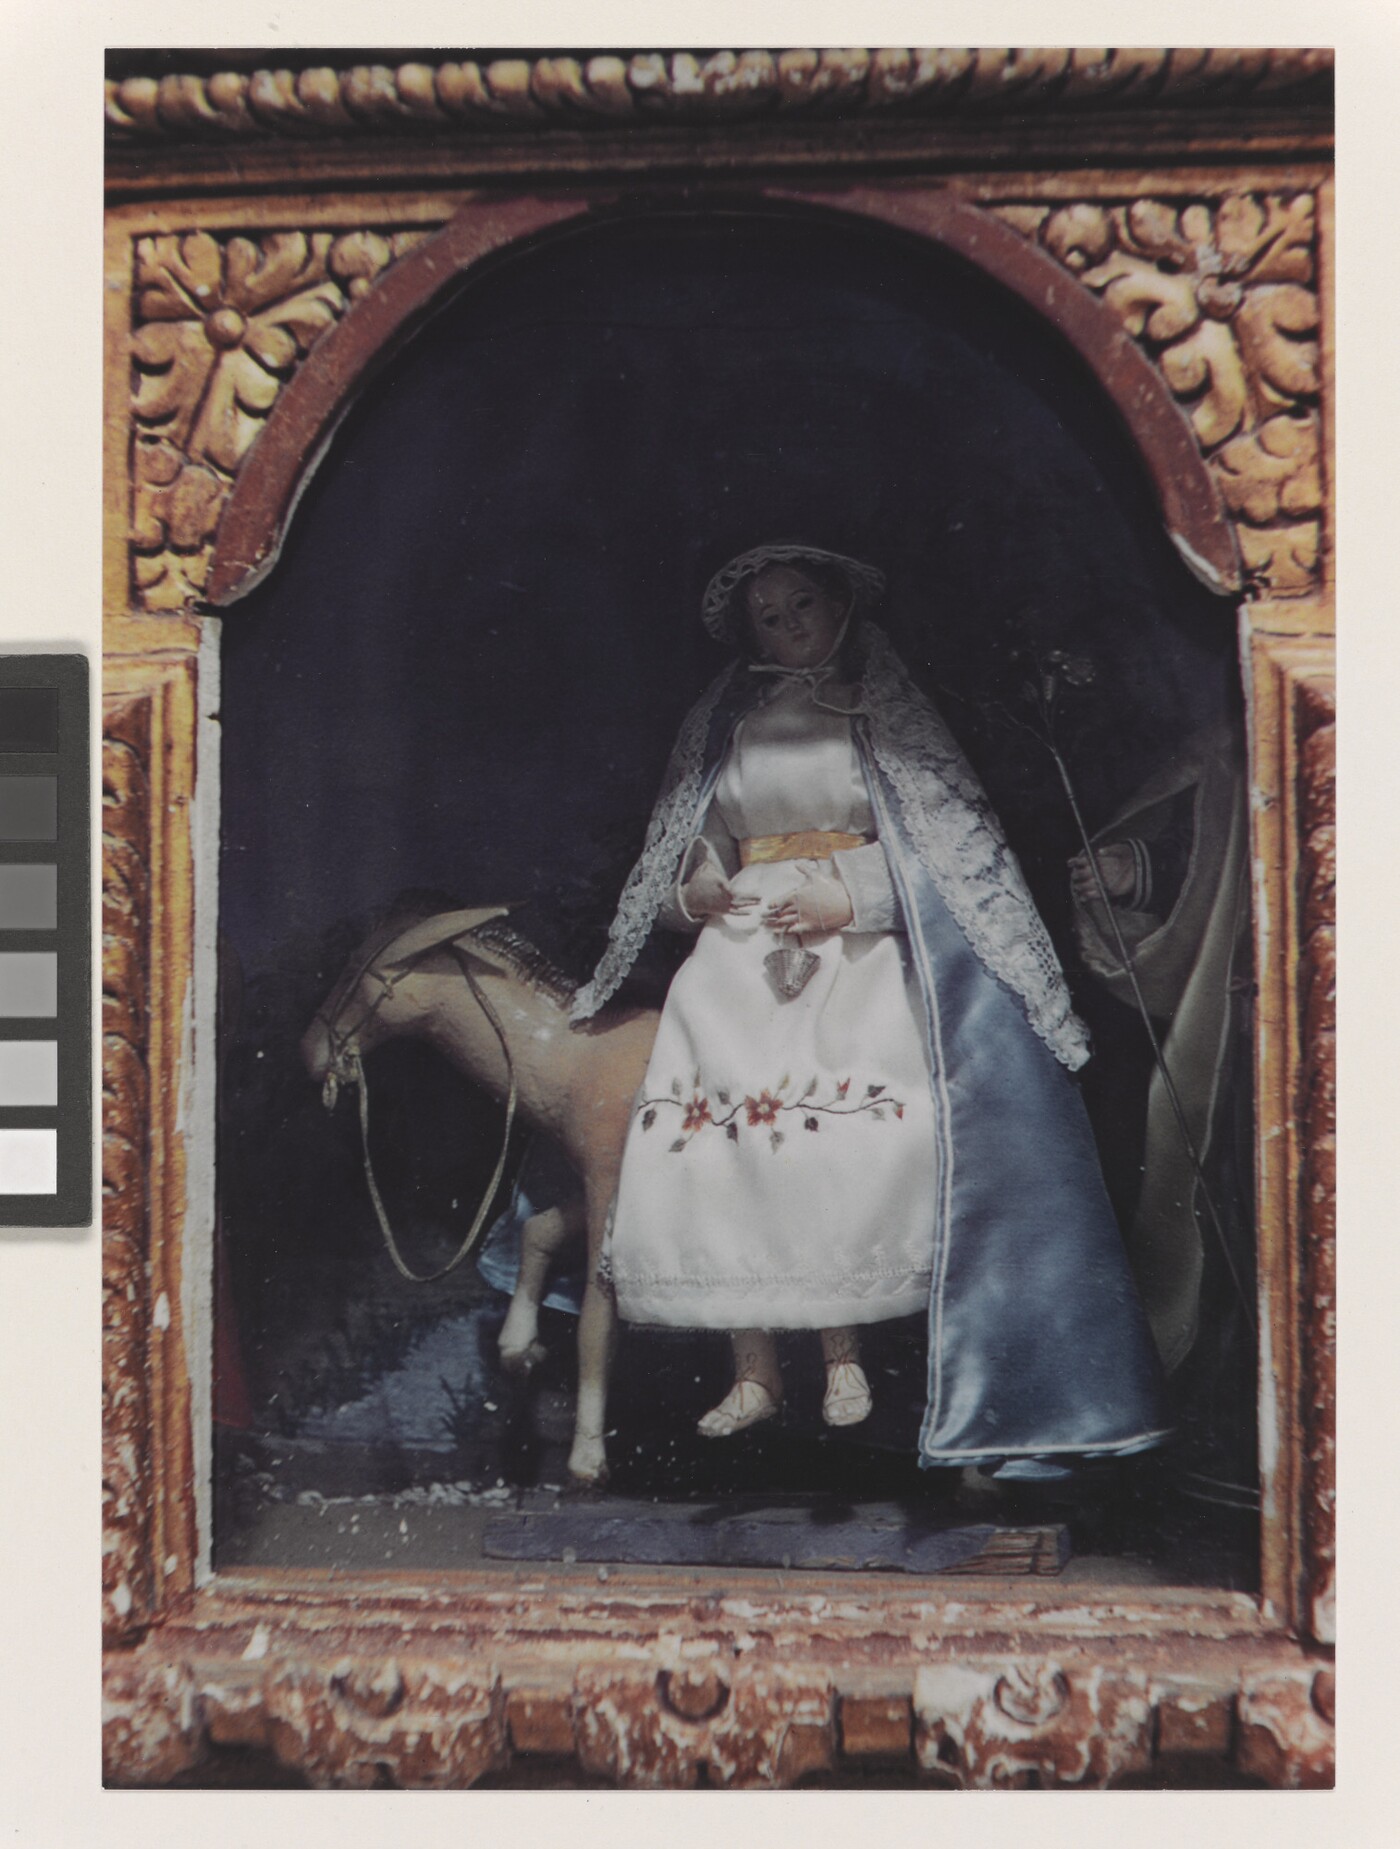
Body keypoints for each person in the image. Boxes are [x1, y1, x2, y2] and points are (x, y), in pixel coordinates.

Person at [571, 544, 1167, 1479]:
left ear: (842, 605)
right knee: (720, 1143)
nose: (788, 626)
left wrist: (847, 897)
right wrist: (700, 890)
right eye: (767, 616)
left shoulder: (880, 718)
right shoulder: (730, 722)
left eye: (802, 604)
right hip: (738, 962)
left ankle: (844, 1358)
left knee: (838, 1140)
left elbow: (933, 852)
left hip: (850, 959)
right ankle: (754, 1368)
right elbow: (694, 844)